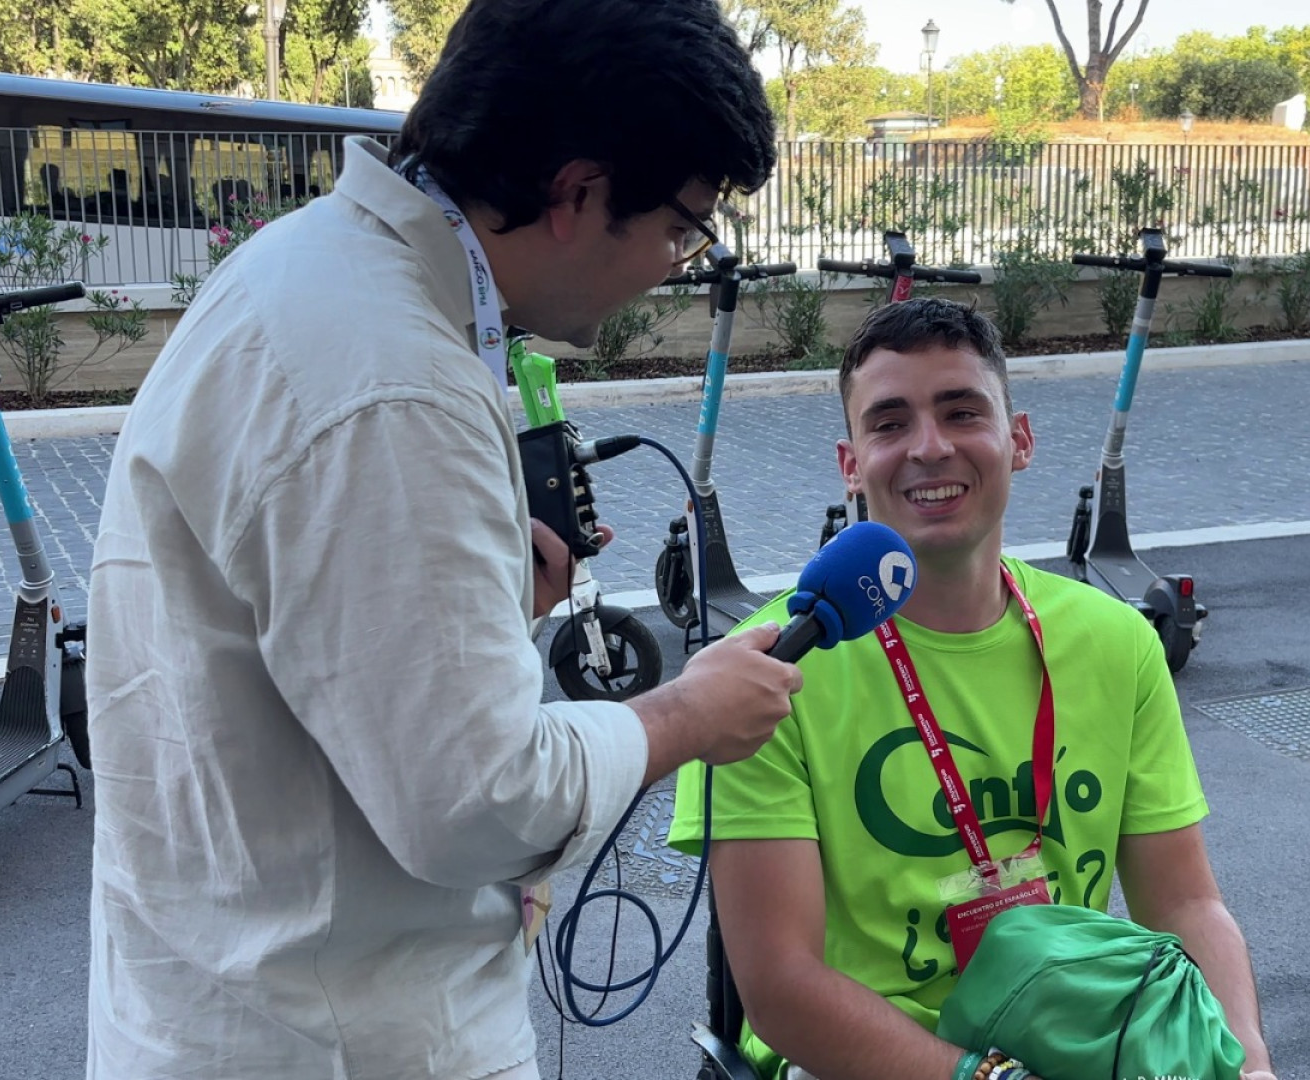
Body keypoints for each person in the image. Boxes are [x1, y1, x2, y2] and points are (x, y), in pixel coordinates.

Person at [83, 3, 800, 1078]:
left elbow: (313, 660)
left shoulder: (308, 273)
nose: (674, 264)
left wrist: (467, 619)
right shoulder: (397, 387)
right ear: (577, 191)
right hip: (341, 1036)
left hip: (235, 994)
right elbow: (480, 802)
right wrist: (683, 716)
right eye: (684, 226)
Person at [668, 298, 1276, 1080]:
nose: (929, 447)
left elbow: (1186, 904)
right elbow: (783, 989)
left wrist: (1247, 1062)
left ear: (1017, 441)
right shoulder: (764, 671)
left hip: (1076, 1036)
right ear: (851, 463)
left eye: (961, 412)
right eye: (889, 424)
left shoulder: (1116, 641)